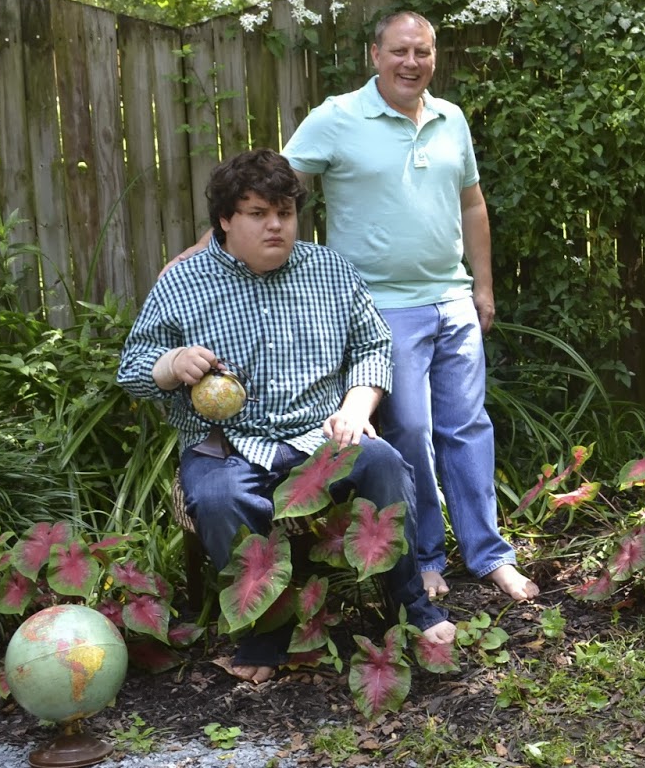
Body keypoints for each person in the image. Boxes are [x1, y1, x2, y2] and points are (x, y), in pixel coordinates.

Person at [117, 149, 454, 683]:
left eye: (285, 212)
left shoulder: (329, 270)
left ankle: (412, 606)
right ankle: (262, 635)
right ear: (225, 220)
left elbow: (373, 346)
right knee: (221, 497)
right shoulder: (182, 284)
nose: (276, 224)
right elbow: (132, 369)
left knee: (385, 463)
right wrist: (172, 363)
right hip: (226, 444)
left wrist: (355, 404)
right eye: (257, 213)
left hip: (320, 434)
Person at [280, 11, 537, 603]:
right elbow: (272, 186)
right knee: (411, 431)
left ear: (434, 57)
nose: (411, 63)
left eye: (422, 52)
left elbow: (473, 206)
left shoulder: (451, 120)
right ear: (375, 55)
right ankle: (423, 558)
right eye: (400, 51)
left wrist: (484, 286)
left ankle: (489, 554)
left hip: (451, 300)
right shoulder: (337, 117)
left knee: (468, 428)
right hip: (382, 309)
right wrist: (211, 244)